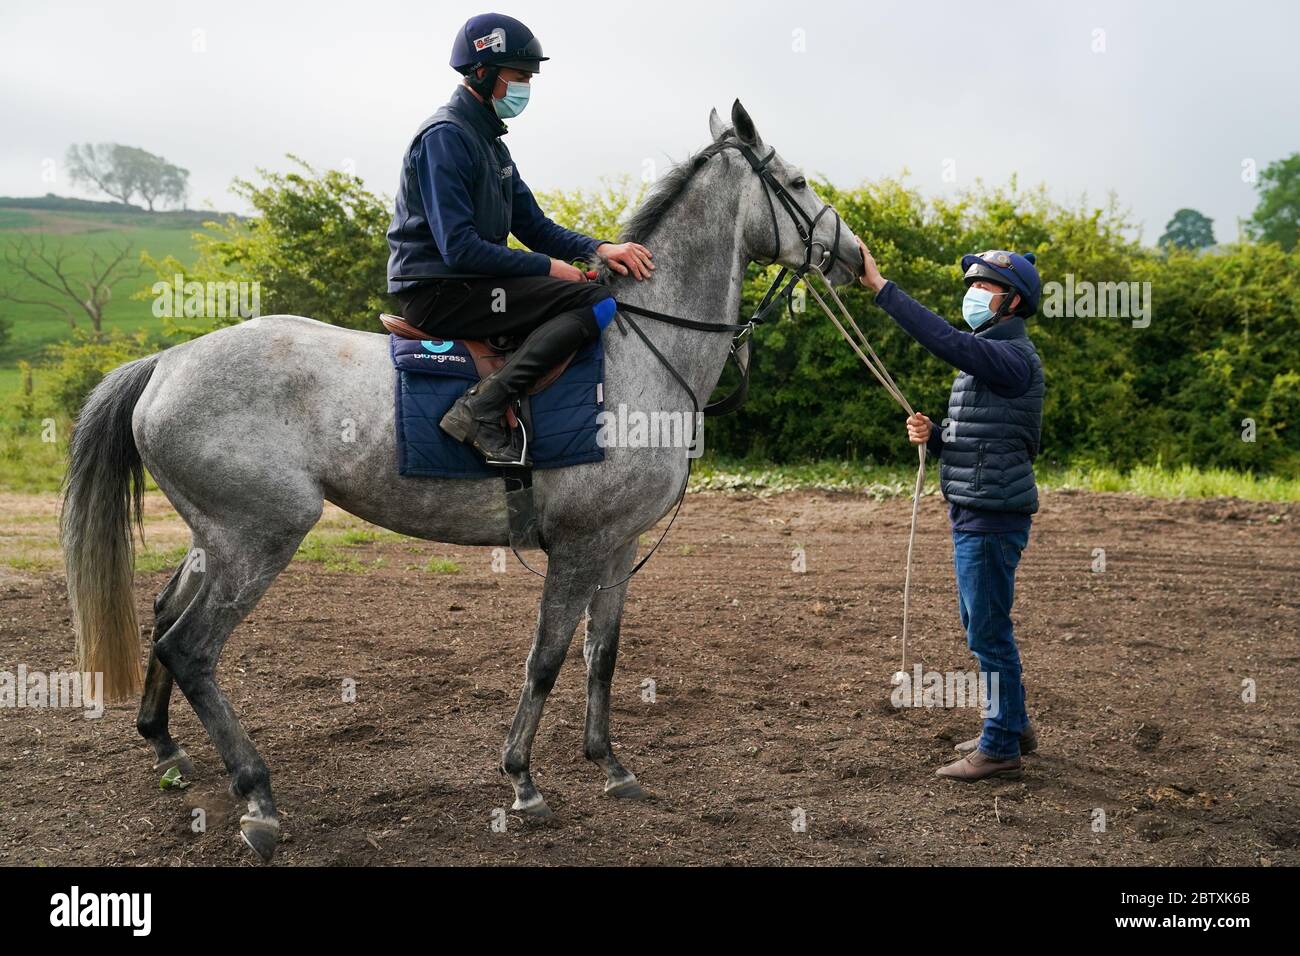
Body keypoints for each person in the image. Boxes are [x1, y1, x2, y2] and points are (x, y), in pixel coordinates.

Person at [386, 13, 653, 465]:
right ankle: (481, 408)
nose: (526, 87)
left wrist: (601, 248)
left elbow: (535, 228)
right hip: (439, 290)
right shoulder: (446, 137)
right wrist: (549, 267)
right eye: (520, 76)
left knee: (589, 292)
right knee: (596, 302)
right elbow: (460, 248)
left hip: (470, 284)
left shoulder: (492, 144)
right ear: (483, 72)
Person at [857, 237, 1044, 782]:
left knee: (987, 631)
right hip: (975, 508)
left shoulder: (1010, 357)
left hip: (990, 515)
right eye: (973, 285)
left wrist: (880, 288)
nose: (972, 293)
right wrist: (937, 437)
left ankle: (1001, 746)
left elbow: (944, 340)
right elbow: (985, 438)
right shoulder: (989, 358)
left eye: (983, 285)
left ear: (1012, 301)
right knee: (982, 623)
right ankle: (1014, 725)